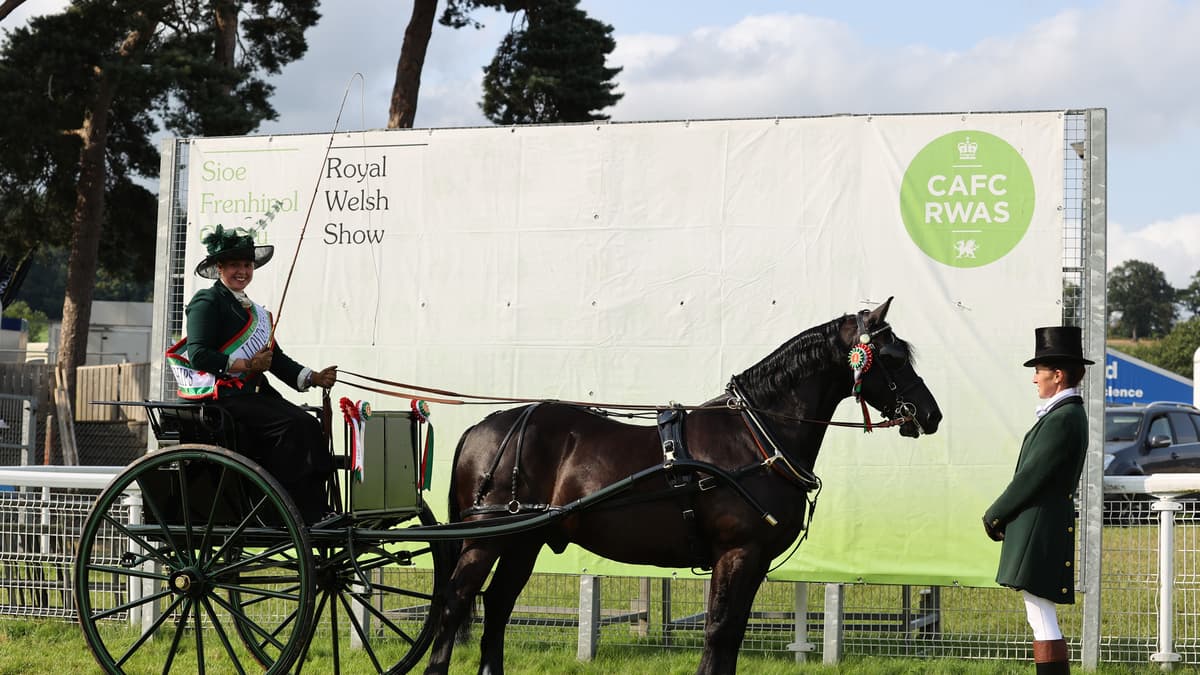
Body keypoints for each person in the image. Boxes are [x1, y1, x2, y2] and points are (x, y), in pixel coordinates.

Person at [167, 225, 338, 524]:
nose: (242, 271)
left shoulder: (257, 313)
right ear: (219, 267)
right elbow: (199, 355)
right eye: (234, 265)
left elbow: (276, 359)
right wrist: (246, 366)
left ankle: (314, 509)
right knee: (293, 426)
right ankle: (283, 510)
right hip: (223, 399)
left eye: (247, 265)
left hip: (252, 397)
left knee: (309, 425)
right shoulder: (207, 303)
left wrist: (313, 377)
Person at [983, 325, 1092, 675]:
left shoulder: (1064, 418)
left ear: (1057, 376)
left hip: (1041, 525)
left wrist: (994, 514)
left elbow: (1030, 476)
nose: (1034, 379)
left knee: (1042, 615)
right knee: (1039, 613)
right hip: (1039, 523)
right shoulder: (1063, 414)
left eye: (1039, 372)